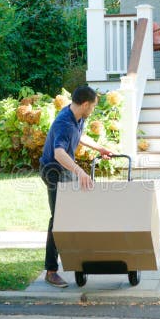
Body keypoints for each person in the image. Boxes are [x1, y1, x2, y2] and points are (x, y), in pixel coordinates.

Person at [39, 85, 113, 288]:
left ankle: (77, 259)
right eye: (93, 106)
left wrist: (100, 148)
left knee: (76, 212)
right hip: (53, 171)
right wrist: (80, 172)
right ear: (86, 104)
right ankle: (51, 271)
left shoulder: (77, 116)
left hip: (65, 169)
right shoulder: (64, 122)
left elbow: (78, 136)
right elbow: (59, 153)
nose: (93, 110)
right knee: (59, 219)